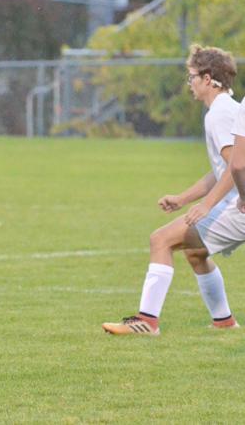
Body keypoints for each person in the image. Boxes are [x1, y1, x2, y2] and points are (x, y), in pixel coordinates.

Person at [103, 45, 240, 335]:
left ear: (207, 79)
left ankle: (147, 321)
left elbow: (234, 168)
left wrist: (206, 206)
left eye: (191, 76)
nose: (188, 83)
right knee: (195, 254)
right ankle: (225, 323)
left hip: (237, 207)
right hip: (233, 204)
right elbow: (221, 169)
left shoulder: (220, 113)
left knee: (161, 240)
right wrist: (183, 199)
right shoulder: (226, 109)